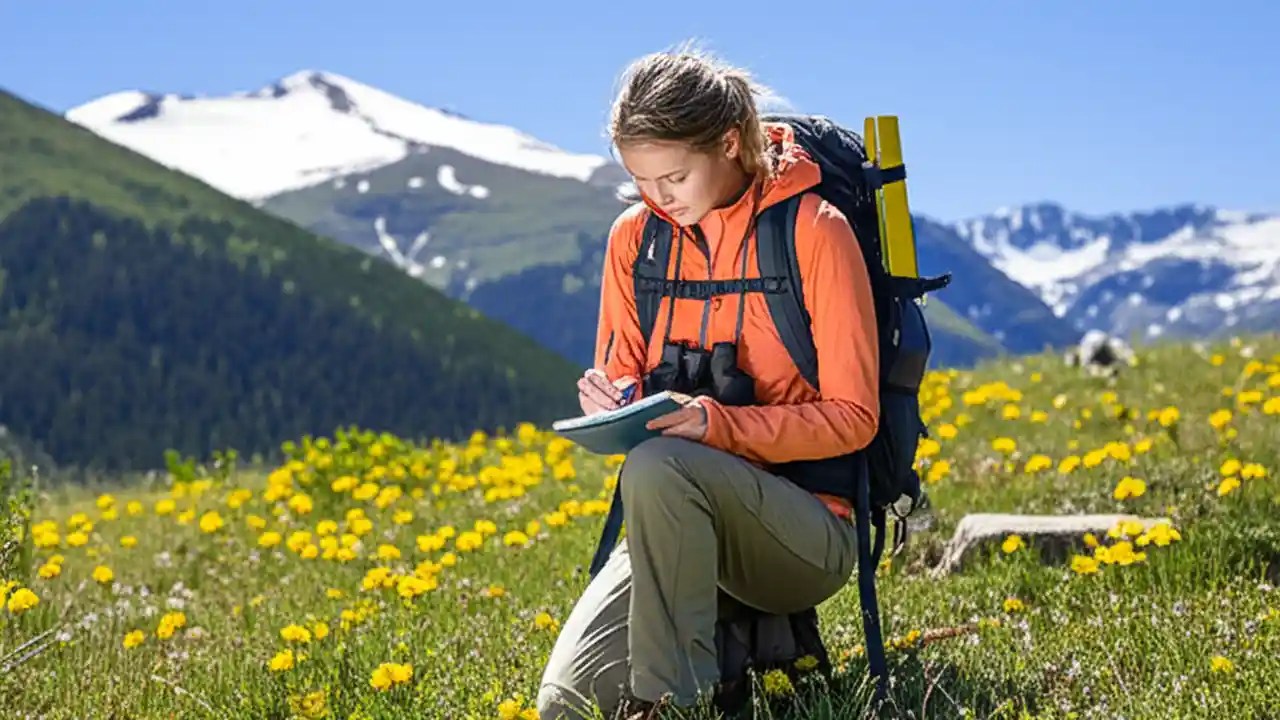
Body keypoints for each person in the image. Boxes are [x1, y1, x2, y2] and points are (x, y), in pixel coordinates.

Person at [536, 43, 881, 720]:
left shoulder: (815, 232)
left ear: (728, 143)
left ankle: (678, 704)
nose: (657, 198)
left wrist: (713, 424)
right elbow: (623, 367)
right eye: (641, 180)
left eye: (673, 178)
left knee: (663, 464)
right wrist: (613, 397)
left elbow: (854, 417)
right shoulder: (636, 241)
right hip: (674, 527)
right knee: (565, 705)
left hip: (806, 534)